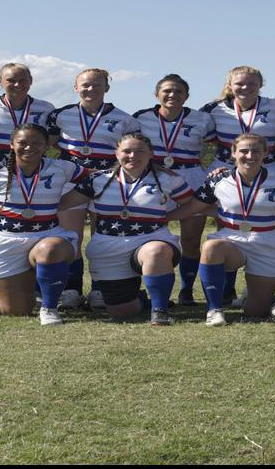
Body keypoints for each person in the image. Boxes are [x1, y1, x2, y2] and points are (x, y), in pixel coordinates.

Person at [56, 132, 196, 326]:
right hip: (108, 246)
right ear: (116, 153)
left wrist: (166, 217)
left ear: (151, 154)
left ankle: (159, 310)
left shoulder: (168, 179)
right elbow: (63, 203)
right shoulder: (98, 179)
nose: (133, 156)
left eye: (140, 151)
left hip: (151, 238)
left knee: (156, 251)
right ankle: (142, 299)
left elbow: (193, 204)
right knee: (122, 311)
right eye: (127, 151)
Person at [165, 134, 275, 324]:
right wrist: (160, 218)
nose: (250, 155)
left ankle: (253, 296)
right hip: (232, 239)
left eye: (256, 151)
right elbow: (193, 207)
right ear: (233, 153)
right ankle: (214, 310)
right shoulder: (218, 179)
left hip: (268, 241)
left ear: (266, 153)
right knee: (212, 247)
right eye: (244, 151)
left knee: (256, 313)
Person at [0, 124, 85, 325]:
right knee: (15, 310)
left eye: (37, 143)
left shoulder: (62, 168)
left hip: (48, 234)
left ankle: (49, 309)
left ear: (47, 146)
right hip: (6, 240)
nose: (29, 147)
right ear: (12, 144)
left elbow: (95, 178)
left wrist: (67, 201)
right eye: (22, 142)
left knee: (51, 249)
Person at [47, 68, 142, 302]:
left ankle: (101, 289)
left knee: (104, 238)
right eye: (85, 85)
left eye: (97, 85)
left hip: (107, 183)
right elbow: (48, 144)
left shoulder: (125, 119)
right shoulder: (59, 115)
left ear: (106, 88)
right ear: (75, 87)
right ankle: (71, 289)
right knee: (71, 238)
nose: (90, 89)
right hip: (71, 182)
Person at [132, 74, 218, 306]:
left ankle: (186, 290)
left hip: (191, 175)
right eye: (167, 91)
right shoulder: (140, 118)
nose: (173, 95)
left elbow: (221, 144)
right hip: (154, 176)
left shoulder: (202, 119)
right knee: (147, 235)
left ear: (187, 96)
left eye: (179, 91)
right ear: (156, 94)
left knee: (191, 239)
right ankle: (147, 289)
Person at [0, 63, 57, 171]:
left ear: (30, 81)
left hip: (34, 169)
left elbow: (53, 139)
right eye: (11, 80)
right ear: (0, 81)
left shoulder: (46, 108)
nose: (17, 84)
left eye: (22, 80)